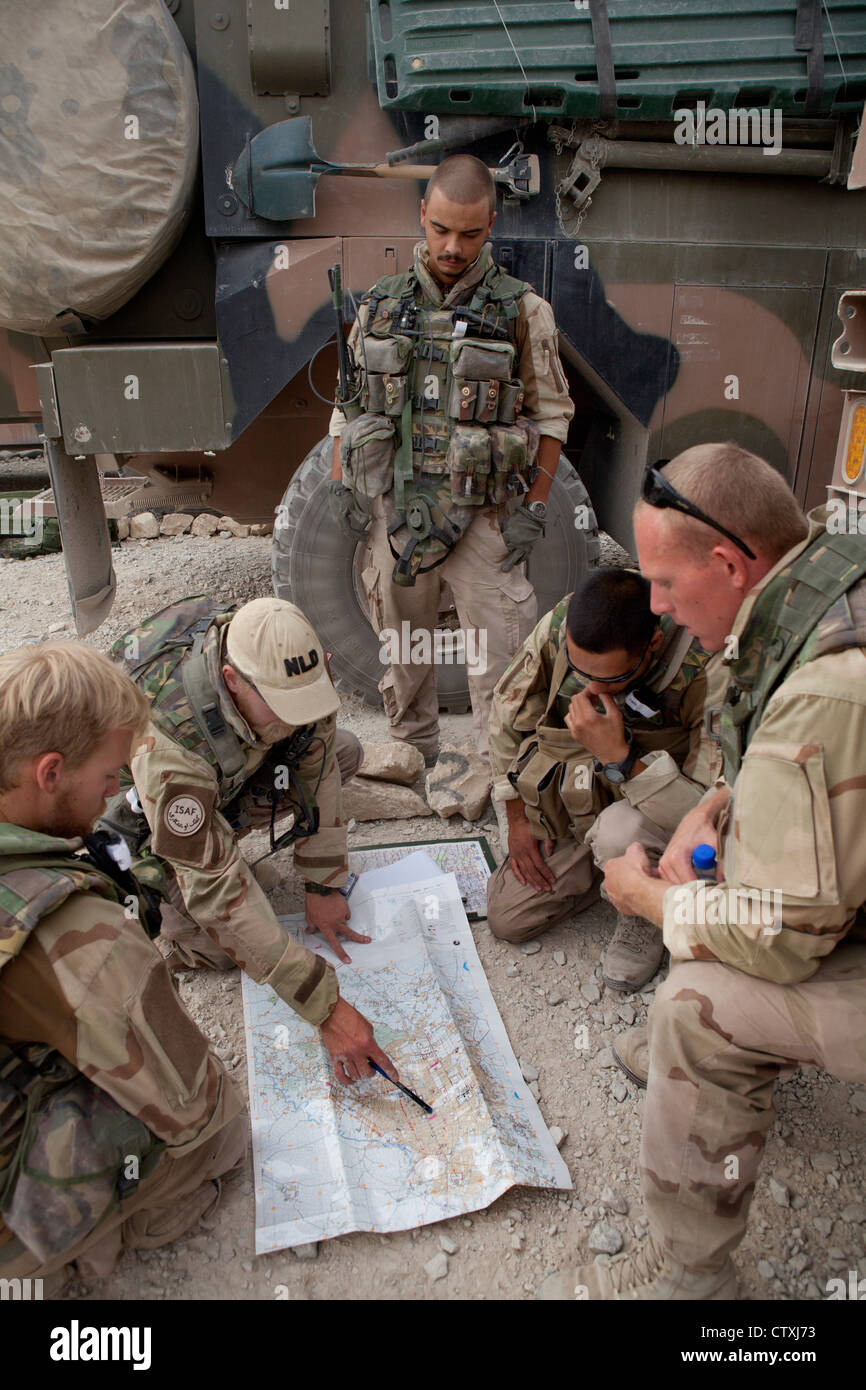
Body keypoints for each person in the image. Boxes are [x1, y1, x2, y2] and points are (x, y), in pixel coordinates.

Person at [541, 443, 866, 1300]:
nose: (656, 610)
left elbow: (788, 936)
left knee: (696, 1005)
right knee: (706, 886)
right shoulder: (824, 580)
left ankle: (696, 1282)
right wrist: (711, 808)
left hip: (830, 923)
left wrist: (652, 902)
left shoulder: (829, 688)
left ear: (729, 562)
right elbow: (759, 753)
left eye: (665, 585)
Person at [0, 641, 248, 1284]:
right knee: (223, 1125)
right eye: (109, 775)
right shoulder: (77, 931)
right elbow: (187, 1102)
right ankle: (63, 1256)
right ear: (49, 772)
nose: (118, 791)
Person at [327, 153, 575, 766]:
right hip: (399, 510)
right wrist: (343, 488)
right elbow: (347, 409)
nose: (452, 245)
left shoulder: (522, 311)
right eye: (440, 229)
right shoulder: (379, 307)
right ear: (422, 216)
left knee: (501, 653)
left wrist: (535, 510)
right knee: (405, 646)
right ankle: (413, 753)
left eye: (469, 232)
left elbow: (552, 417)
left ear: (491, 224)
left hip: (485, 515)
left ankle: (501, 774)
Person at [100, 595, 397, 1089]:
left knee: (341, 749)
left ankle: (224, 846)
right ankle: (169, 932)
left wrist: (323, 886)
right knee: (224, 943)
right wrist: (324, 1007)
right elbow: (217, 893)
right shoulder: (171, 746)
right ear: (233, 680)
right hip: (143, 829)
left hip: (224, 783)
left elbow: (319, 765)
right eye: (282, 706)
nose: (296, 717)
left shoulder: (288, 664)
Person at [486, 568, 722, 989]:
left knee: (618, 830)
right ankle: (599, 870)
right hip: (576, 798)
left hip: (650, 817)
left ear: (652, 645)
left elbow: (705, 812)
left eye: (611, 678)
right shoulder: (564, 625)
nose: (593, 689)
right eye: (581, 672)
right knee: (508, 917)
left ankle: (644, 907)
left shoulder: (705, 667)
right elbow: (507, 715)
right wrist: (519, 818)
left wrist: (621, 758)